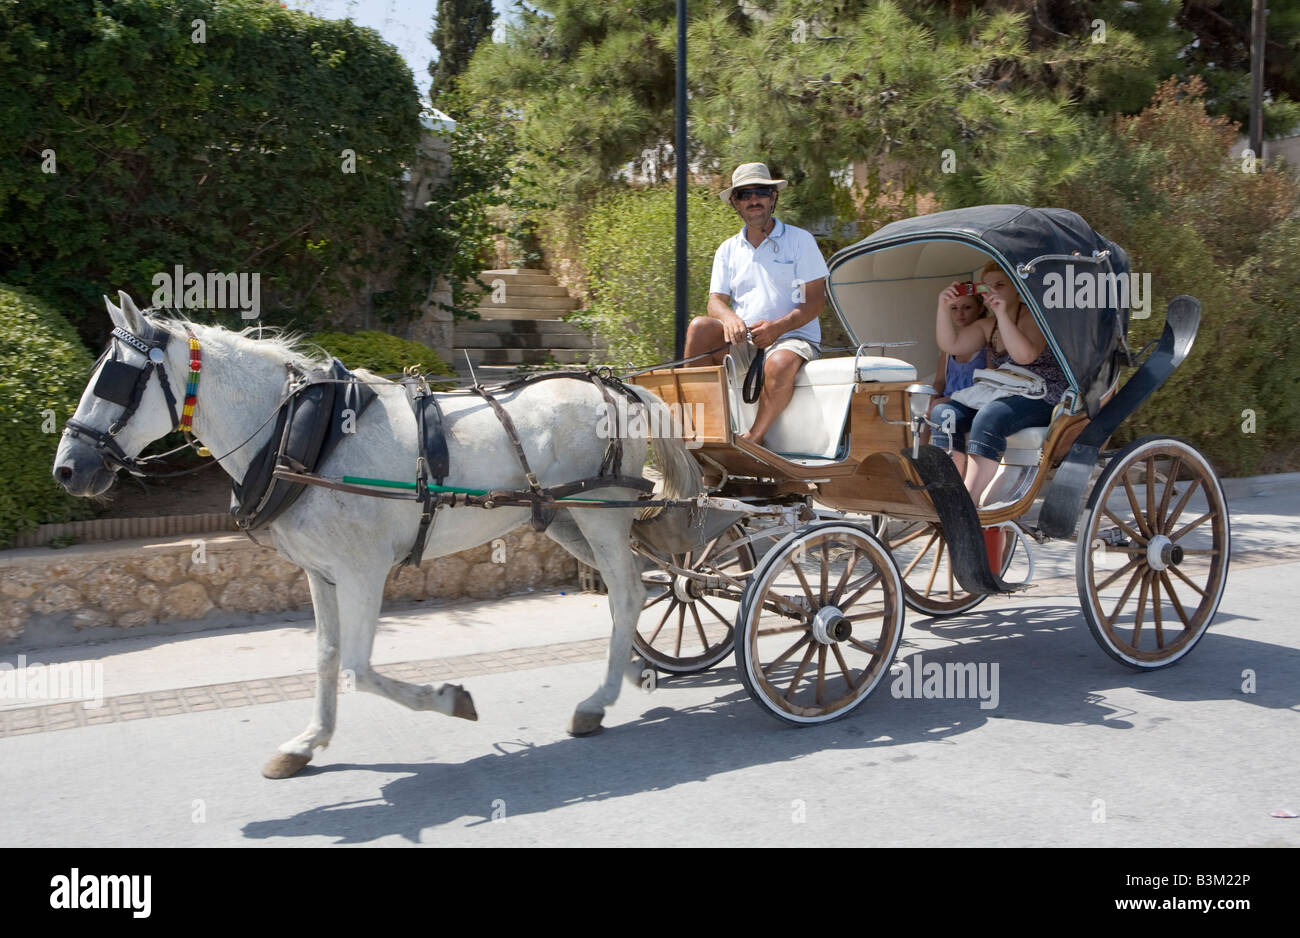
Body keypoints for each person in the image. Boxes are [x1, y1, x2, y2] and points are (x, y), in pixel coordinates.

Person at [683, 162, 829, 447]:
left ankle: (753, 439)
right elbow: (715, 302)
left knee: (780, 361)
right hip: (745, 341)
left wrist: (777, 328)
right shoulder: (728, 249)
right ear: (735, 204)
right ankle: (704, 430)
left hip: (792, 338)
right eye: (744, 194)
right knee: (699, 328)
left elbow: (815, 302)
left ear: (773, 197)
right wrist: (729, 319)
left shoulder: (801, 240)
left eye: (760, 192)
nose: (753, 200)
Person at [930, 259, 1069, 505]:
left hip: (1042, 392)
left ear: (1017, 288)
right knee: (944, 412)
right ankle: (947, 492)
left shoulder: (1033, 317)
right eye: (988, 287)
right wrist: (943, 307)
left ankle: (968, 500)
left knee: (989, 416)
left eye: (1000, 285)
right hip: (1004, 390)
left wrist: (1003, 314)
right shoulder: (987, 325)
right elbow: (950, 345)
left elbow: (1024, 356)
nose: (992, 291)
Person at [926, 287, 989, 476]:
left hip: (972, 402)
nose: (959, 313)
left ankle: (951, 476)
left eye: (967, 307)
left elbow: (988, 383)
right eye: (954, 308)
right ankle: (918, 468)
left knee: (942, 412)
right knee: (918, 412)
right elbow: (940, 381)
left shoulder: (986, 343)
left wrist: (943, 400)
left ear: (980, 308)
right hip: (947, 400)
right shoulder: (949, 345)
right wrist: (930, 396)